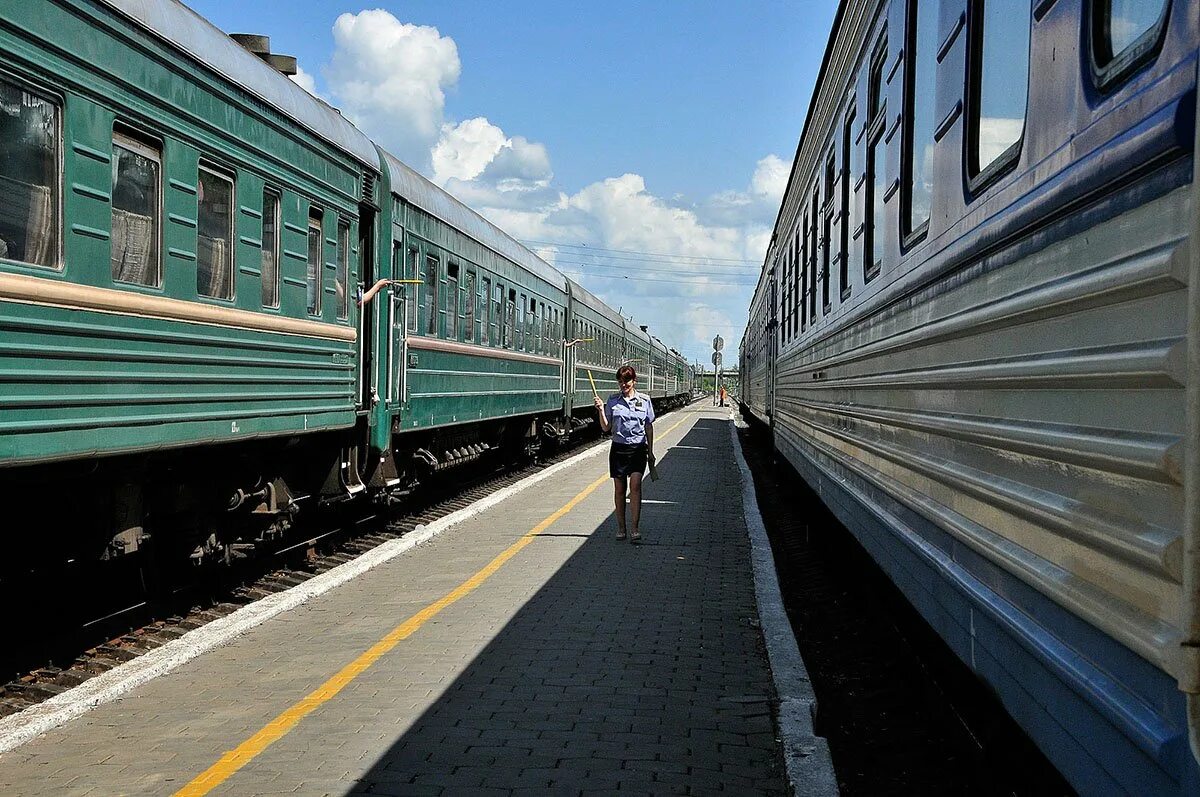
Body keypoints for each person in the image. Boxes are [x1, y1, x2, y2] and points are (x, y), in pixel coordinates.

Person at [594, 364, 655, 544]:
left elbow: (649, 427)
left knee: (635, 486)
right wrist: (600, 410)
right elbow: (606, 427)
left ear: (634, 381)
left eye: (627, 380)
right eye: (620, 381)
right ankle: (622, 528)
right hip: (618, 449)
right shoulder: (613, 401)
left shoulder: (644, 401)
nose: (623, 384)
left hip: (637, 449)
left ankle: (635, 529)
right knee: (620, 490)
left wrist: (650, 452)